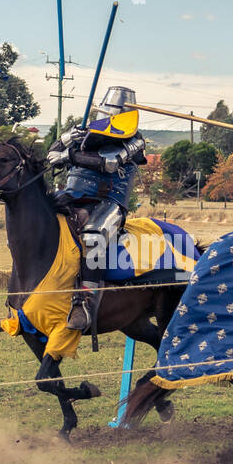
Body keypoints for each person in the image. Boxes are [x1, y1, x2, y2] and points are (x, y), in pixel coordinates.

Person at [47, 86, 148, 332]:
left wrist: (70, 154)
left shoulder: (135, 140)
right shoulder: (83, 131)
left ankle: (85, 301)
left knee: (94, 233)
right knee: (38, 217)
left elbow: (109, 163)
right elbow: (51, 155)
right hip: (73, 194)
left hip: (109, 201)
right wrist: (71, 143)